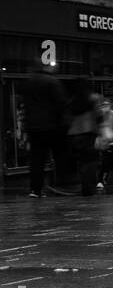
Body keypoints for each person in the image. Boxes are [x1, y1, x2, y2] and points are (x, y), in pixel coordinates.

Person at [19, 64, 68, 198]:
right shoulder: (53, 82)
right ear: (48, 68)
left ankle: (35, 189)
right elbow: (60, 103)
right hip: (51, 125)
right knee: (60, 152)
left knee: (36, 159)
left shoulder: (28, 82)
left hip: (33, 126)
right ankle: (62, 182)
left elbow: (24, 104)